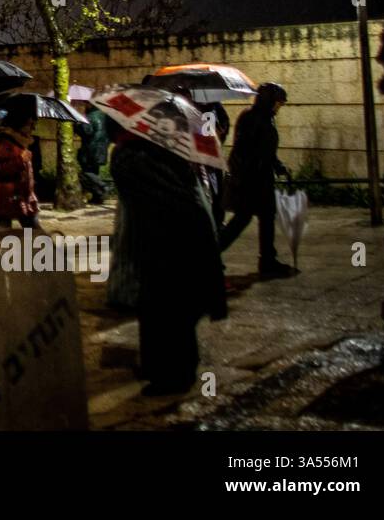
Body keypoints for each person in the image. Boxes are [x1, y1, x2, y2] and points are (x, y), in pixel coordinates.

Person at [107, 117, 227, 395]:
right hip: (187, 238)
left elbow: (139, 200)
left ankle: (169, 376)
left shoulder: (131, 158)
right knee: (177, 311)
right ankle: (178, 370)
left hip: (164, 244)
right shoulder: (165, 150)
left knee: (163, 312)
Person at [219, 83, 294, 277]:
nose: (279, 107)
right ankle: (211, 254)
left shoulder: (266, 119)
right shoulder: (252, 119)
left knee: (266, 218)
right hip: (251, 181)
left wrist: (277, 166)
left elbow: (267, 151)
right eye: (278, 103)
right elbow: (247, 151)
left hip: (260, 179)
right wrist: (250, 175)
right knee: (241, 220)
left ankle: (268, 260)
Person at [0, 104, 41, 229]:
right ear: (19, 123)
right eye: (30, 123)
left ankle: (46, 248)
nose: (33, 127)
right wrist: (21, 159)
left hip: (22, 195)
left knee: (34, 231)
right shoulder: (4, 141)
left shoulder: (21, 141)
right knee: (3, 236)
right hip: (5, 198)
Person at [77, 104, 110, 206]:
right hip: (102, 149)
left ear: (90, 106)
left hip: (90, 150)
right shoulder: (104, 116)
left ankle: (103, 186)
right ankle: (98, 196)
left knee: (86, 172)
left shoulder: (89, 117)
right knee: (94, 172)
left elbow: (87, 131)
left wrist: (77, 126)